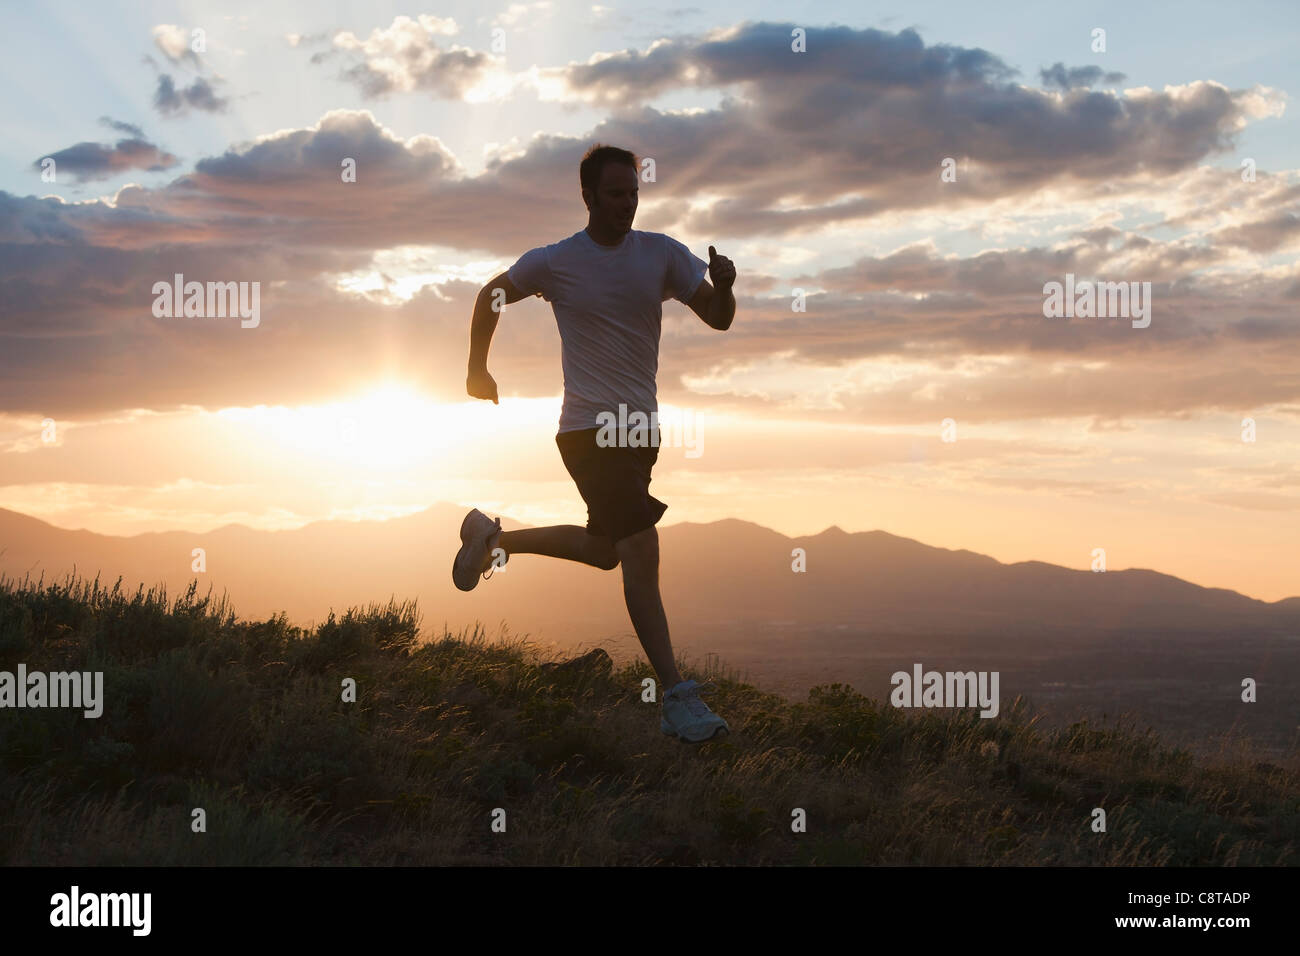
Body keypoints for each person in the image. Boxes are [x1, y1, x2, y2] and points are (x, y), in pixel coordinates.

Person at [456, 143, 736, 742]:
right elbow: (489, 296)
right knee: (641, 550)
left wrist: (726, 286)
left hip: (639, 434)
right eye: (615, 194)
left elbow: (717, 317)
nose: (627, 204)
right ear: (588, 196)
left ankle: (493, 539)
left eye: (634, 193)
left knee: (608, 550)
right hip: (587, 429)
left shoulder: (661, 254)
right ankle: (677, 697)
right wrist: (477, 369)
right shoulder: (558, 262)